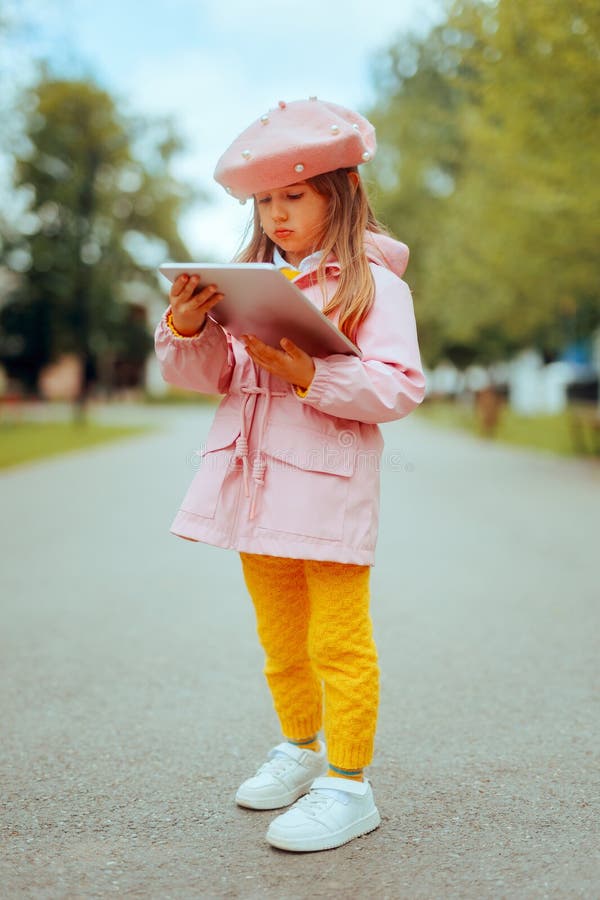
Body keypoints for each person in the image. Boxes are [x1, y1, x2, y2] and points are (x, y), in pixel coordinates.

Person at [154, 97, 426, 853]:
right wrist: (185, 326)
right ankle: (300, 747)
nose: (276, 213)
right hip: (257, 493)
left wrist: (312, 373)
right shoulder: (250, 282)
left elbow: (400, 386)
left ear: (338, 193)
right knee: (281, 641)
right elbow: (208, 378)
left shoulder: (376, 285)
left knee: (339, 641)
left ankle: (349, 783)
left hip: (329, 496)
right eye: (263, 200)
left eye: (293, 196)